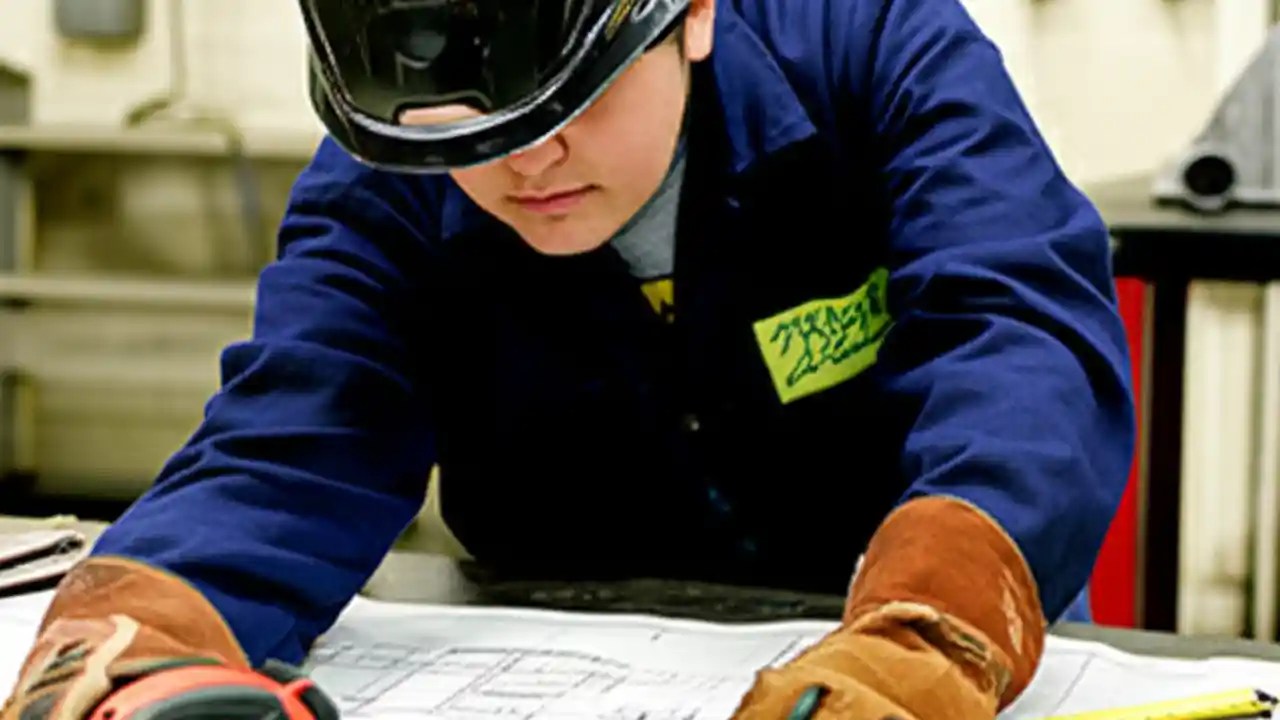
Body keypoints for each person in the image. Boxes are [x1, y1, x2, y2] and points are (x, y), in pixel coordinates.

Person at [2, 0, 1136, 717]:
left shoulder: (876, 45)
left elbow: (1022, 341)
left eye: (572, 101)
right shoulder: (393, 177)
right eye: (474, 127)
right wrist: (127, 643)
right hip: (566, 663)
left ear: (688, 13)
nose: (525, 162)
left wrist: (924, 639)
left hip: (924, 645)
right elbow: (291, 448)